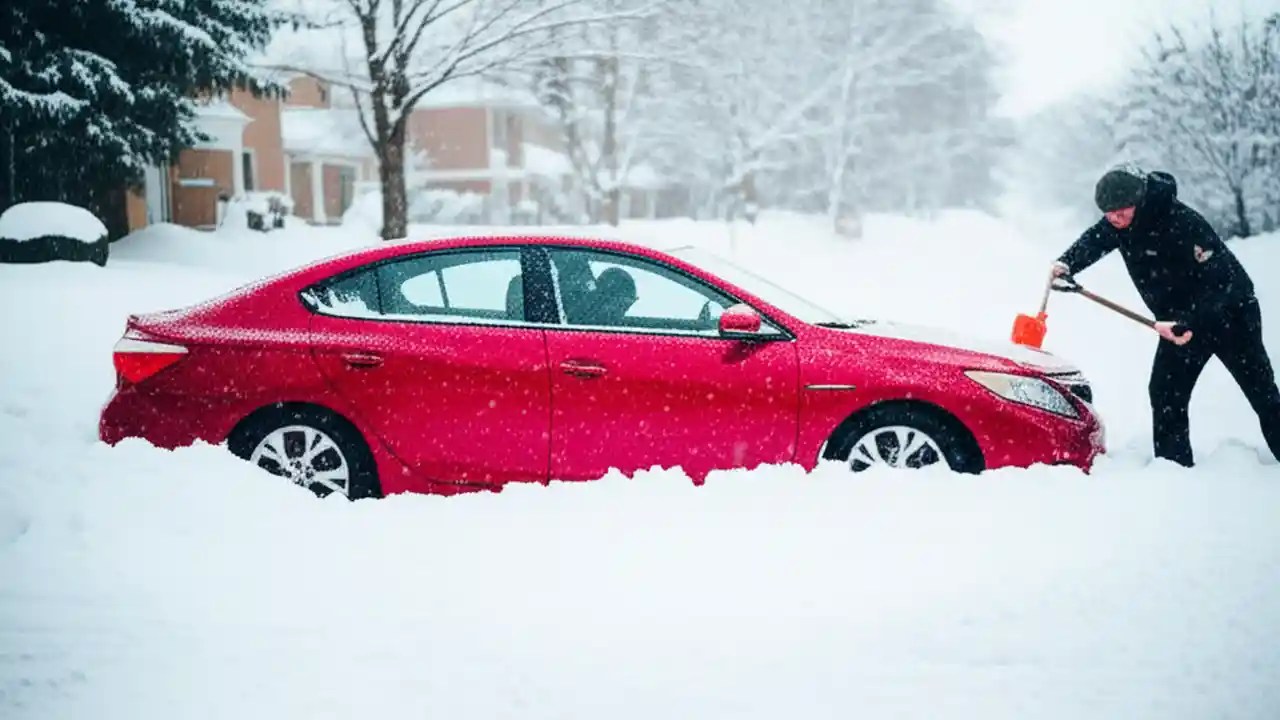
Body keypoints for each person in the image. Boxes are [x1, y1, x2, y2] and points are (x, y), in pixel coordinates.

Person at [1051, 164, 1280, 466]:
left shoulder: (1183, 223)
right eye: (1108, 214)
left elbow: (1224, 285)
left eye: (1120, 212)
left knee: (1261, 392)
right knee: (1166, 392)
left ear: (1139, 201)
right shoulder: (1119, 223)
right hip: (1178, 324)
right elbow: (1095, 240)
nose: (1114, 219)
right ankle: (1174, 469)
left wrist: (1188, 322)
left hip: (1232, 316)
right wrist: (1067, 263)